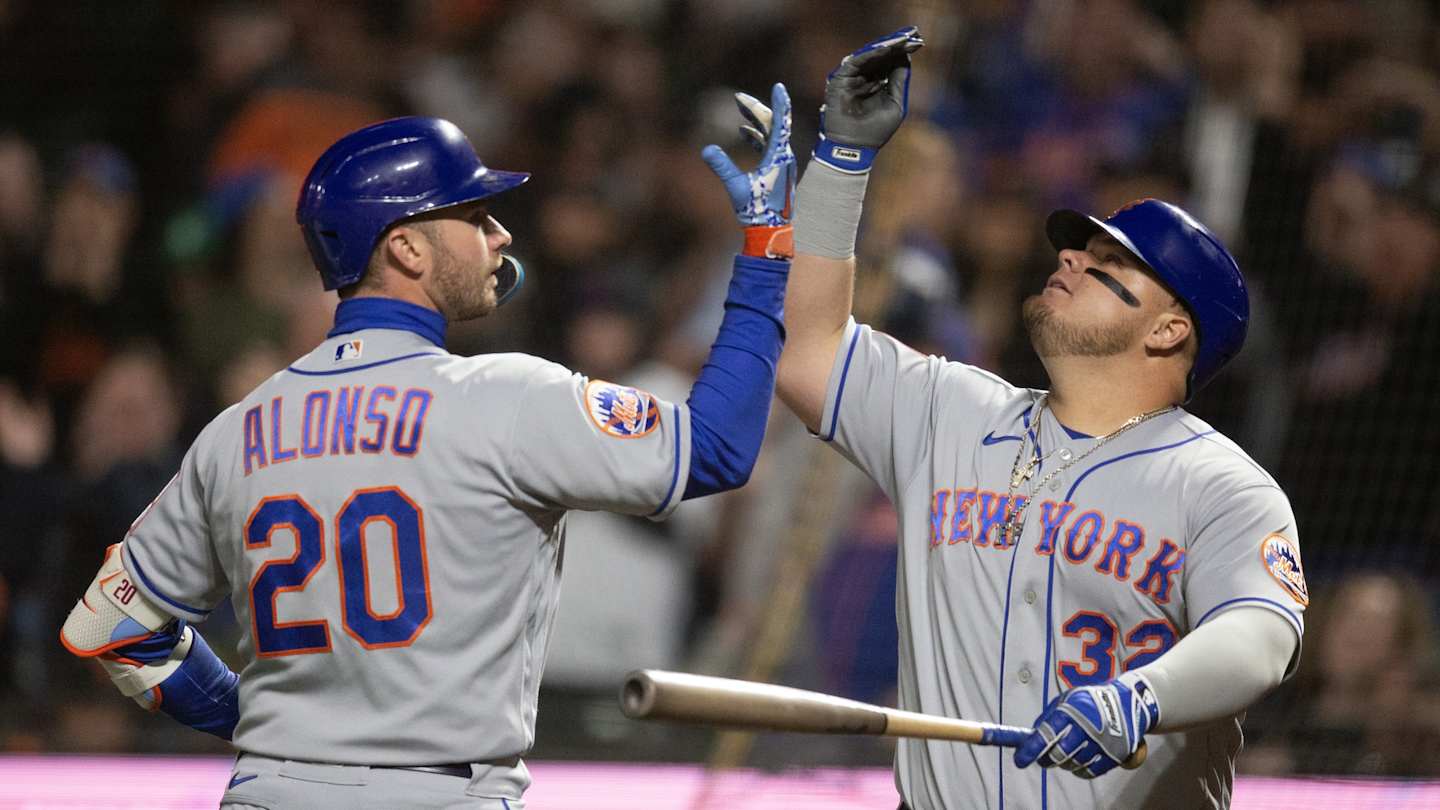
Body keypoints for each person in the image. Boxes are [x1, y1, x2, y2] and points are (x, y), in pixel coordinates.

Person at [58, 98, 797, 809]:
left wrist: (245, 718)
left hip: (270, 791)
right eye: (474, 217)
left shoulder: (237, 430)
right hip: (439, 792)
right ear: (406, 247)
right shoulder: (504, 397)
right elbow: (719, 449)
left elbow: (108, 627)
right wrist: (767, 246)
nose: (501, 235)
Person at [772, 27, 1306, 809]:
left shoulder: (1222, 485)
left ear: (1169, 330)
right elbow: (807, 350)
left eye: (1107, 265)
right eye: (1074, 251)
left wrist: (1142, 697)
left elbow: (1261, 634)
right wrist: (842, 163)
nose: (1069, 261)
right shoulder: (949, 411)